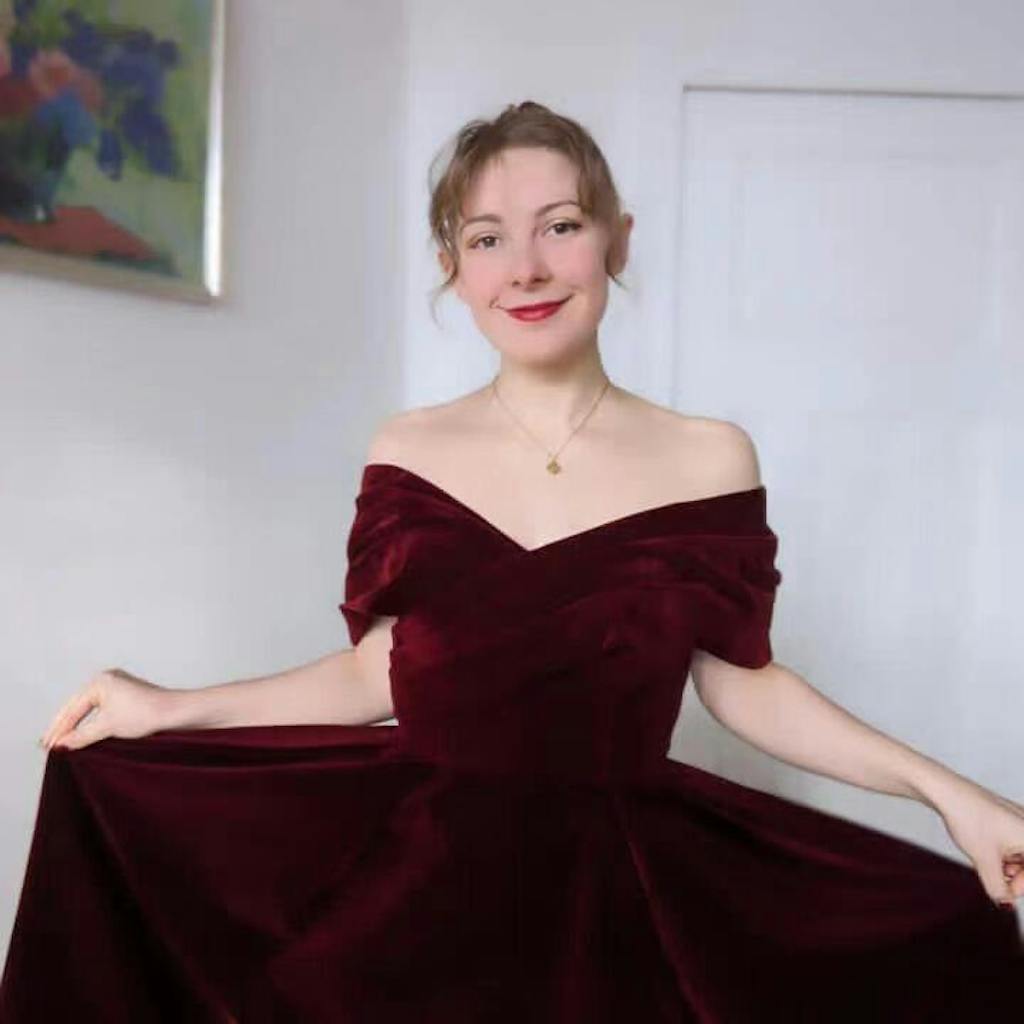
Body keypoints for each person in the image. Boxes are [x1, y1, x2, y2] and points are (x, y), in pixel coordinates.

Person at [3, 100, 1022, 1021]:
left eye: (560, 226)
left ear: (618, 240)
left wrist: (952, 797)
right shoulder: (406, 449)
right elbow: (378, 674)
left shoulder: (709, 455)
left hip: (618, 909)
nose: (525, 268)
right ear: (454, 264)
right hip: (409, 901)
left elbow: (742, 682)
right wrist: (170, 708)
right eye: (488, 237)